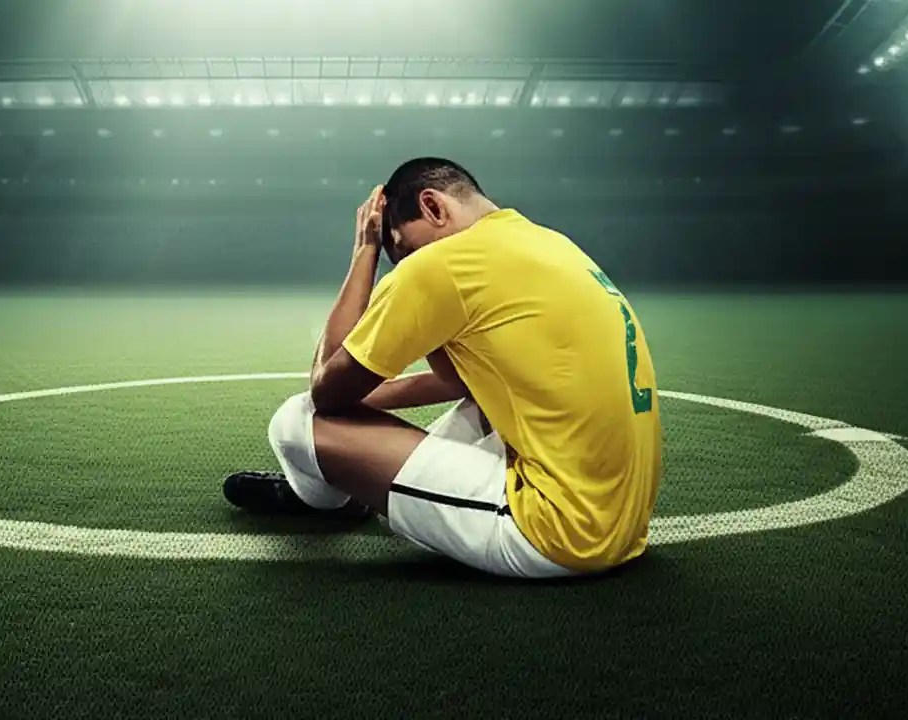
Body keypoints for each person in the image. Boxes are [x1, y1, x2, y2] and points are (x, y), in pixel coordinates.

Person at [224, 157, 662, 578]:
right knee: (486, 400)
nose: (406, 263)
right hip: (624, 521)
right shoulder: (551, 243)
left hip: (556, 533)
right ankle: (357, 483)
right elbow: (461, 381)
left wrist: (366, 249)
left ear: (433, 207)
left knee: (298, 419)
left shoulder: (442, 265)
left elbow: (325, 390)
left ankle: (330, 504)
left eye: (405, 248)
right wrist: (373, 399)